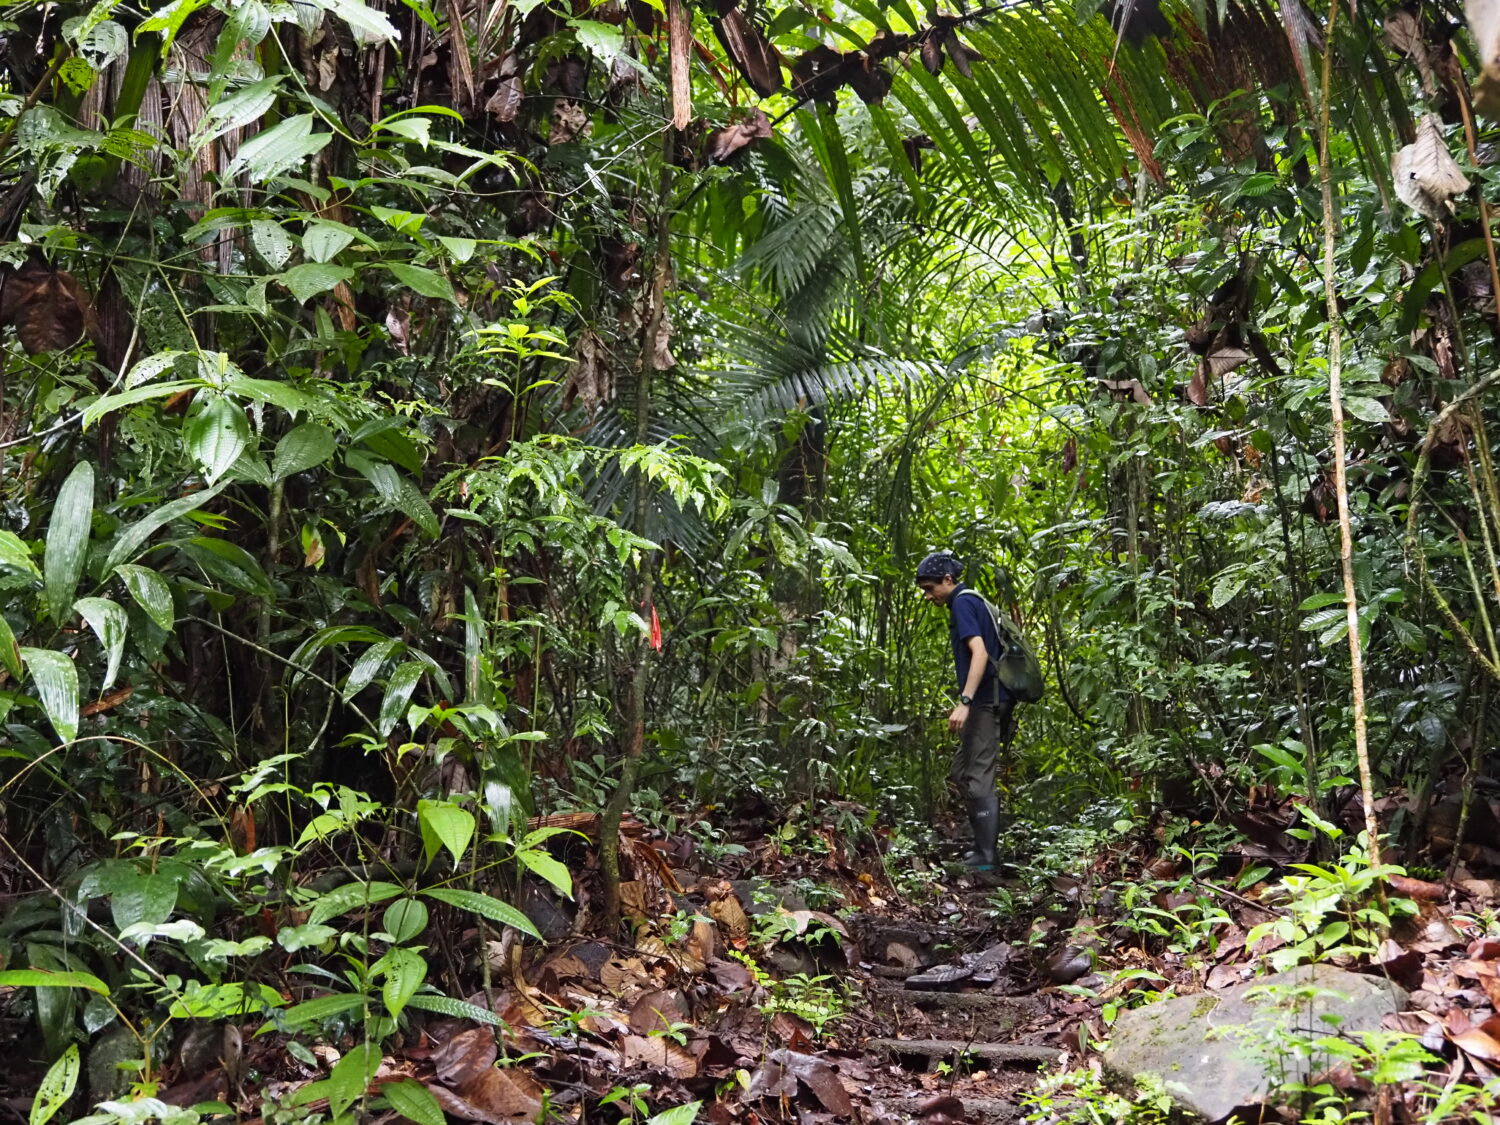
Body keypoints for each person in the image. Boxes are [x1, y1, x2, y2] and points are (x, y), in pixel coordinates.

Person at [915, 550, 1014, 871]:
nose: (928, 596)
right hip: (988, 699)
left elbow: (980, 653)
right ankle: (981, 848)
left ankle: (987, 858)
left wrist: (965, 702)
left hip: (985, 700)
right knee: (962, 772)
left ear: (948, 580)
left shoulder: (962, 602)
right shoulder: (970, 601)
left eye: (930, 588)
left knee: (978, 774)